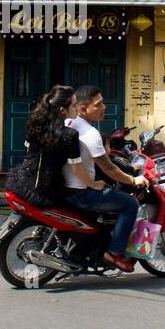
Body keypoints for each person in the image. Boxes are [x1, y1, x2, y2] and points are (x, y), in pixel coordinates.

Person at [62, 85, 150, 273]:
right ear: (83, 109)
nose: (104, 107)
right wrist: (133, 180)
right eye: (99, 104)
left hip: (65, 187)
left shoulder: (69, 123)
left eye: (103, 103)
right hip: (81, 192)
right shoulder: (91, 134)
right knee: (130, 205)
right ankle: (114, 253)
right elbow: (109, 168)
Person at [6, 85, 85, 209]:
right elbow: (77, 170)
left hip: (20, 182)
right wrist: (94, 184)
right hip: (45, 193)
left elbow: (27, 151)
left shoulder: (35, 125)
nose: (77, 109)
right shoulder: (70, 135)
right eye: (74, 105)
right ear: (63, 111)